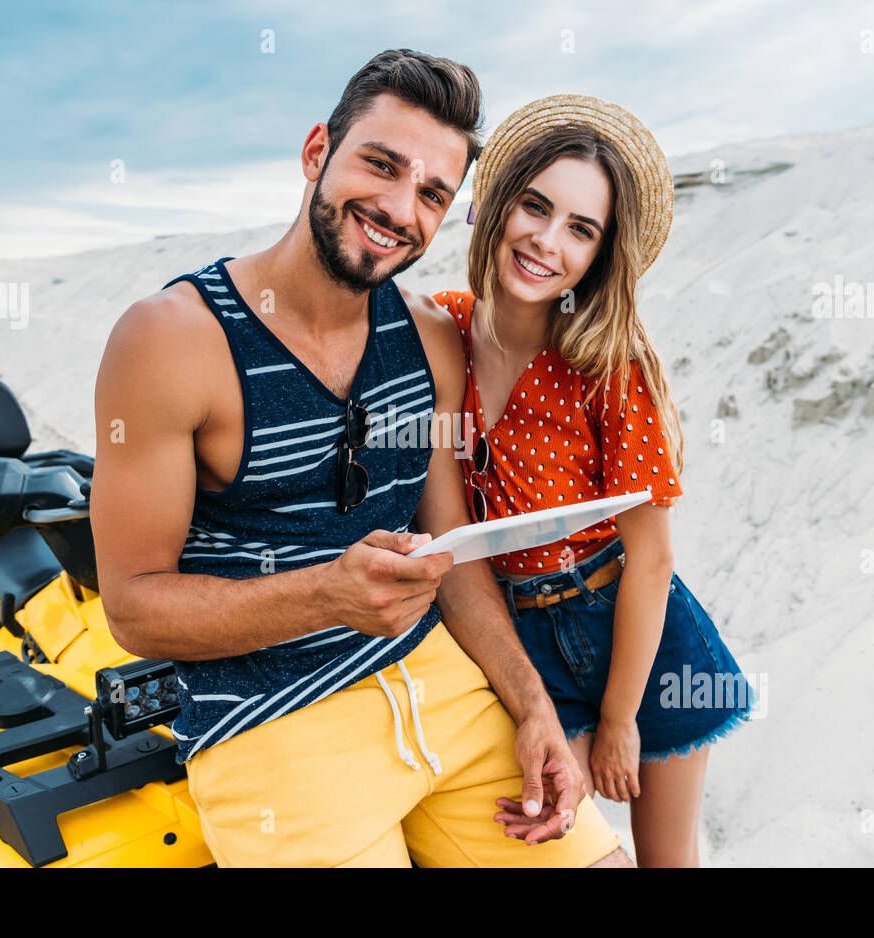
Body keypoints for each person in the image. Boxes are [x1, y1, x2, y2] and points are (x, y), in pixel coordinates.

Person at [91, 53, 629, 867]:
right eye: (381, 164)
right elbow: (132, 609)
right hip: (272, 727)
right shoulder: (170, 341)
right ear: (317, 153)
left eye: (431, 193)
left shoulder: (431, 344)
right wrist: (326, 596)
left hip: (439, 688)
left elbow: (452, 555)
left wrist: (532, 705)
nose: (396, 207)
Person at [423, 94, 756, 866]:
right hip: (522, 635)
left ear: (602, 253)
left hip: (636, 635)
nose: (546, 240)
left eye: (581, 228)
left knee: (665, 859)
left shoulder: (606, 362)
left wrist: (620, 719)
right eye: (535, 207)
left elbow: (653, 559)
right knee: (556, 843)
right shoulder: (444, 328)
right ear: (498, 206)